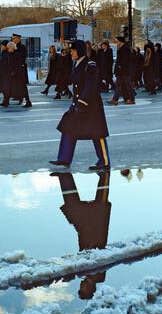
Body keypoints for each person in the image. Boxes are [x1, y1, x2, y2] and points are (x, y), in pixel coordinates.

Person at [49, 40, 110, 171]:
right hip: (78, 103)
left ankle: (104, 161)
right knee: (68, 128)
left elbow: (90, 86)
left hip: (91, 105)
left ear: (79, 51)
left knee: (97, 134)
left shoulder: (90, 65)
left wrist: (82, 102)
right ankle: (64, 159)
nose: (71, 52)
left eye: (73, 50)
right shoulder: (76, 63)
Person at [54, 170, 113, 299]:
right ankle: (105, 174)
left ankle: (64, 177)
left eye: (81, 287)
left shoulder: (84, 274)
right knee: (100, 203)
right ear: (89, 289)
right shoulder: (98, 276)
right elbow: (97, 256)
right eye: (83, 288)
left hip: (85, 232)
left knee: (72, 207)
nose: (81, 285)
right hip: (96, 232)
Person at [0, 34, 32, 108]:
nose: (12, 39)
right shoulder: (12, 53)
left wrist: (15, 70)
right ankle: (6, 102)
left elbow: (21, 60)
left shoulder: (21, 48)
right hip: (14, 72)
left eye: (14, 38)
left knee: (22, 87)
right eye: (12, 38)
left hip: (19, 72)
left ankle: (27, 101)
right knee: (10, 87)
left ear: (18, 38)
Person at [109, 35, 137, 105]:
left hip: (124, 71)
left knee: (128, 86)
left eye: (117, 41)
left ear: (121, 41)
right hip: (121, 71)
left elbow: (125, 60)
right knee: (119, 86)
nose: (116, 42)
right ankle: (115, 100)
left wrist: (120, 67)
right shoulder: (121, 48)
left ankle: (132, 99)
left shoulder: (125, 49)